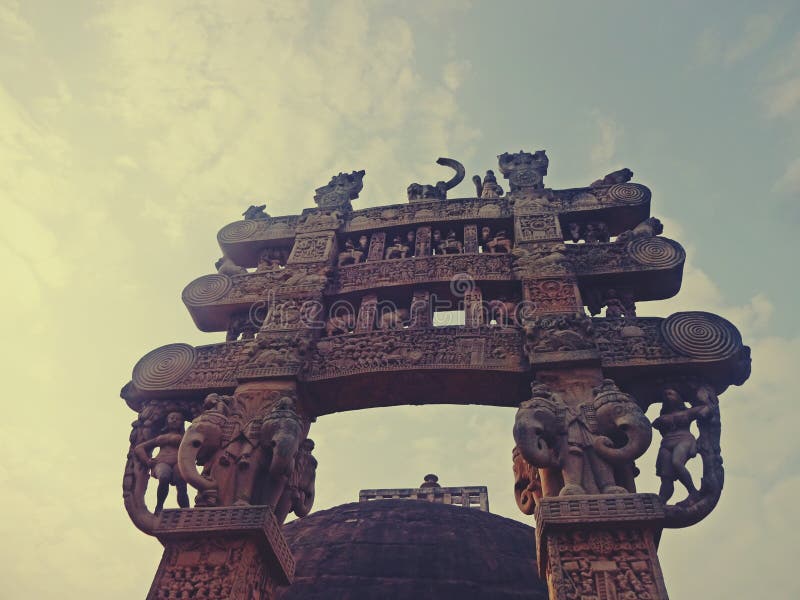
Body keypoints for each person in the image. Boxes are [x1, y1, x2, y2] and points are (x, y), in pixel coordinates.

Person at [653, 387, 709, 502]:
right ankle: (662, 499)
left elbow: (705, 409)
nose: (667, 396)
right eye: (665, 395)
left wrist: (704, 404)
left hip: (684, 439)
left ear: (678, 398)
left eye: (670, 393)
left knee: (677, 462)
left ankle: (693, 492)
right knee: (666, 477)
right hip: (666, 444)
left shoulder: (687, 412)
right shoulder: (661, 418)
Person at [134, 411, 190, 513]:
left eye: (178, 418)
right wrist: (147, 461)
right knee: (164, 476)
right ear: (167, 421)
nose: (174, 420)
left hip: (179, 463)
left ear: (182, 423)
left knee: (181, 484)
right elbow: (139, 448)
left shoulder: (186, 437)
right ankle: (159, 506)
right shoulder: (159, 437)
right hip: (161, 461)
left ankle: (186, 510)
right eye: (171, 418)